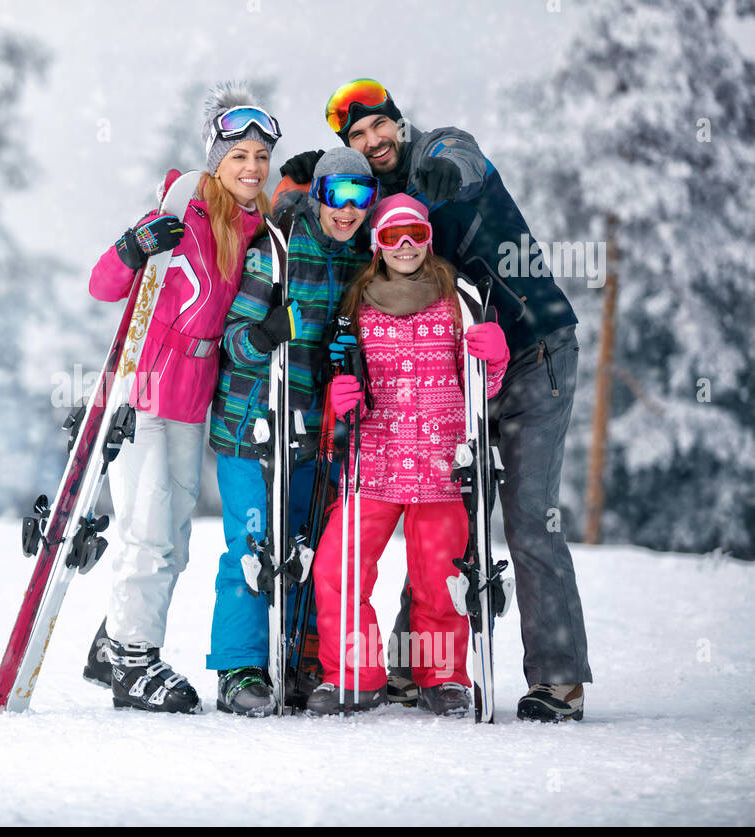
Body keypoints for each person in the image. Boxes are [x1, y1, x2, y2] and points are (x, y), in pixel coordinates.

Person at [278, 79, 591, 721]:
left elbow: (463, 156)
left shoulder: (437, 154)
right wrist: (299, 182)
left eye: (379, 126)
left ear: (400, 121)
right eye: (357, 136)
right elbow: (321, 212)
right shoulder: (381, 199)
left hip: (530, 350)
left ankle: (557, 679)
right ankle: (415, 665)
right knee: (442, 522)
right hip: (454, 372)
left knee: (528, 516)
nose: (373, 141)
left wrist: (449, 168)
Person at [81, 82, 280, 714]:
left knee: (174, 538)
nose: (252, 167)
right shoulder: (181, 211)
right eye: (239, 155)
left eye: (261, 156)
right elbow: (103, 286)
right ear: (216, 159)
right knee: (146, 531)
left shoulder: (257, 229)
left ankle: (115, 641)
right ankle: (134, 659)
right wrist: (132, 247)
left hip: (193, 401)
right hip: (143, 389)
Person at [308, 194, 509, 716]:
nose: (404, 245)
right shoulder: (356, 304)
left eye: (415, 235)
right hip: (372, 463)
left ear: (428, 240)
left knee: (440, 582)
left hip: (442, 466)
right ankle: (353, 675)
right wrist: (340, 397)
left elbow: (480, 390)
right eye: (393, 235)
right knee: (336, 570)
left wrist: (495, 360)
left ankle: (443, 677)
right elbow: (340, 371)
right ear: (377, 243)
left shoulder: (457, 299)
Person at [206, 148, 376, 716]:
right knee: (253, 547)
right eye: (336, 195)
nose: (347, 210)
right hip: (250, 425)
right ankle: (240, 667)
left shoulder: (362, 259)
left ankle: (294, 656)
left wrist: (342, 362)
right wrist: (265, 334)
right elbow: (233, 341)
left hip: (314, 431)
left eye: (360, 196)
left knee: (304, 547)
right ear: (318, 195)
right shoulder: (276, 250)